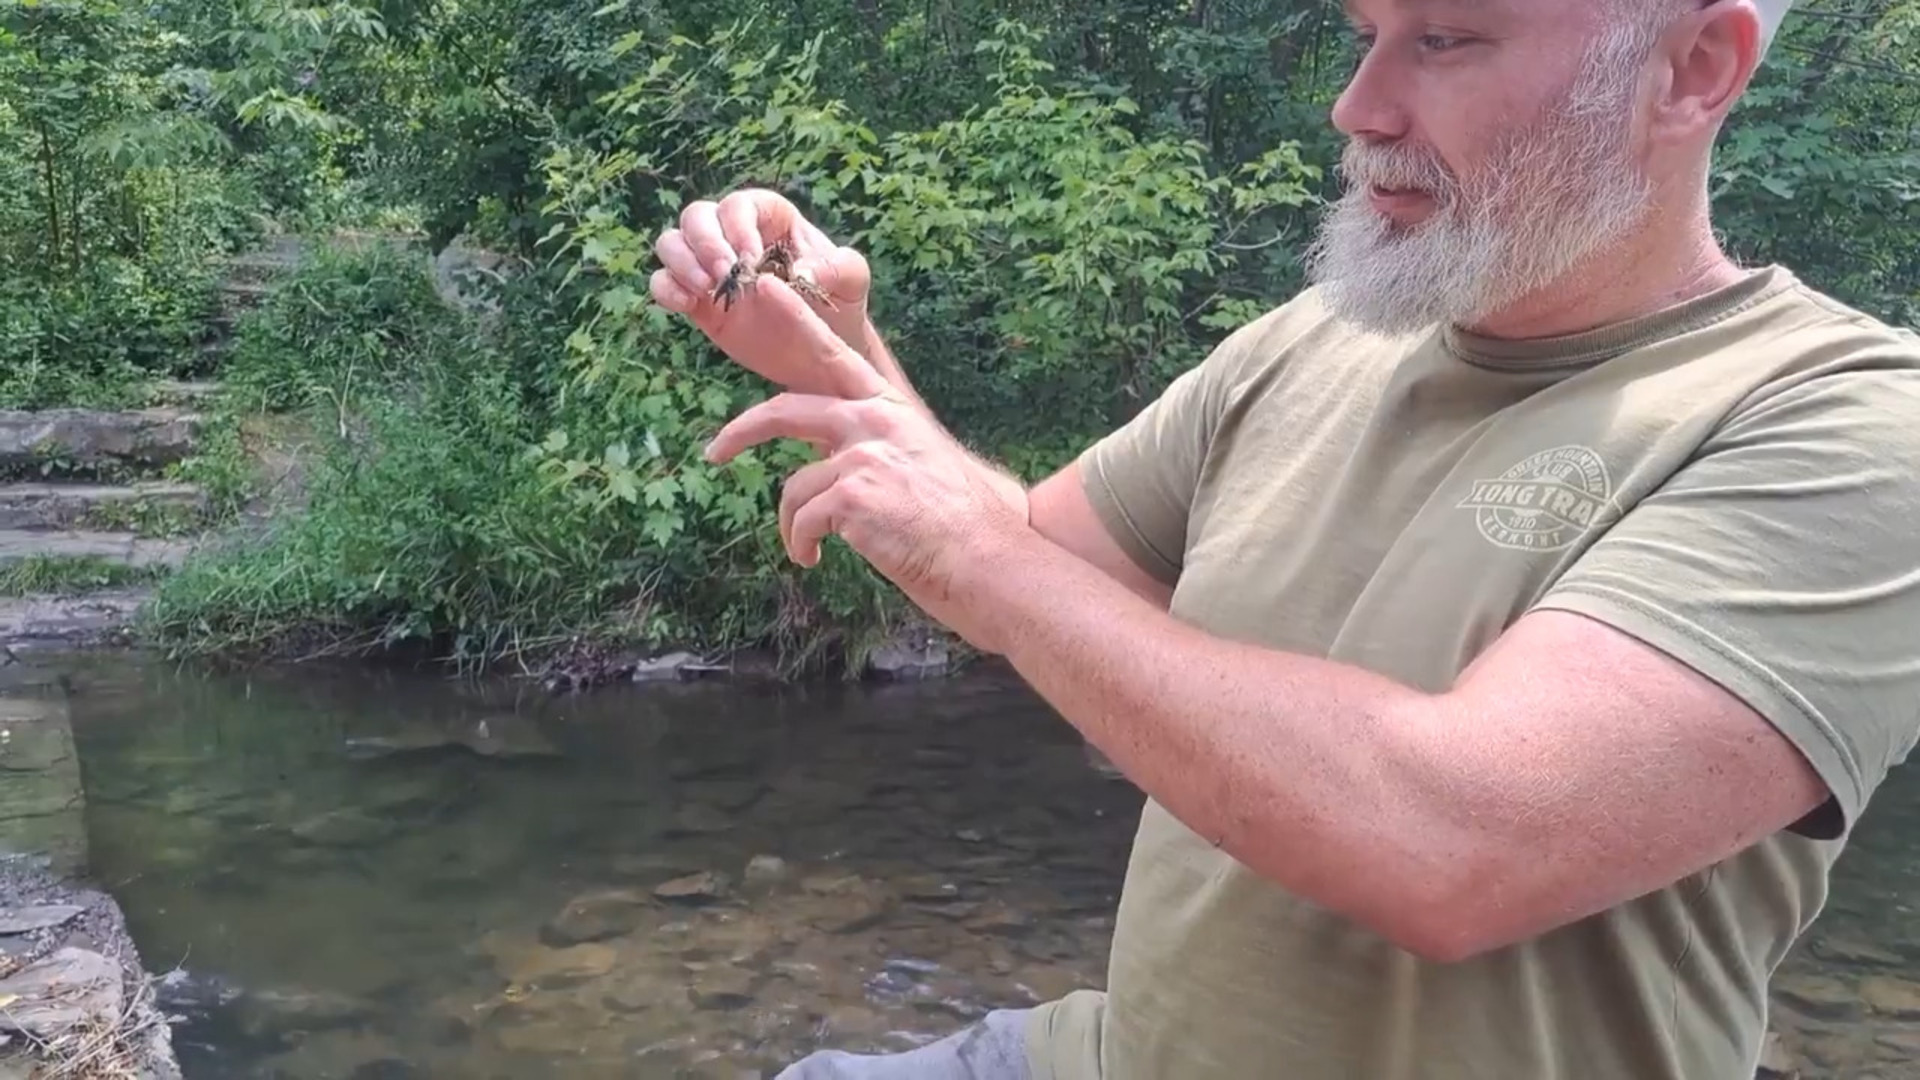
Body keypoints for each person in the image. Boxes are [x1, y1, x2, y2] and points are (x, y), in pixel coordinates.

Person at [647, 0, 1920, 1076]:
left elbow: (1457, 846)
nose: (1358, 106)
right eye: (1369, 34)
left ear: (1695, 68)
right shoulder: (1318, 338)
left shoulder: (1843, 423)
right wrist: (840, 358)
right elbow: (1032, 567)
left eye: (1447, 39)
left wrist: (978, 557)